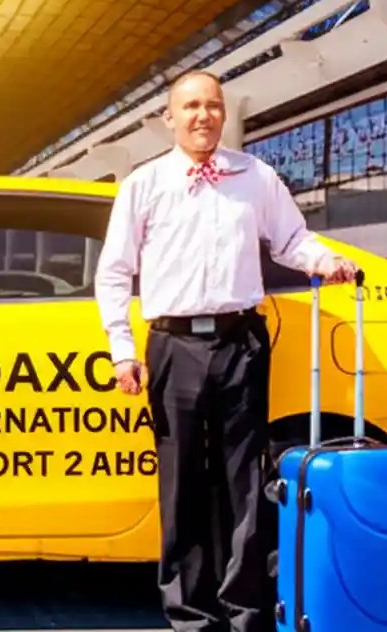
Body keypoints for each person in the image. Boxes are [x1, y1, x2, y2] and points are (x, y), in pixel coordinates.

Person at [93, 70, 357, 632]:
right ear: (169, 118)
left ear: (224, 115)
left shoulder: (255, 177)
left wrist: (325, 261)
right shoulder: (144, 184)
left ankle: (245, 613)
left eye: (213, 106)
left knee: (244, 482)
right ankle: (190, 615)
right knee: (182, 482)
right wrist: (121, 350)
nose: (203, 116)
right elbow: (114, 272)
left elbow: (291, 239)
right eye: (190, 107)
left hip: (242, 344)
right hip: (172, 346)